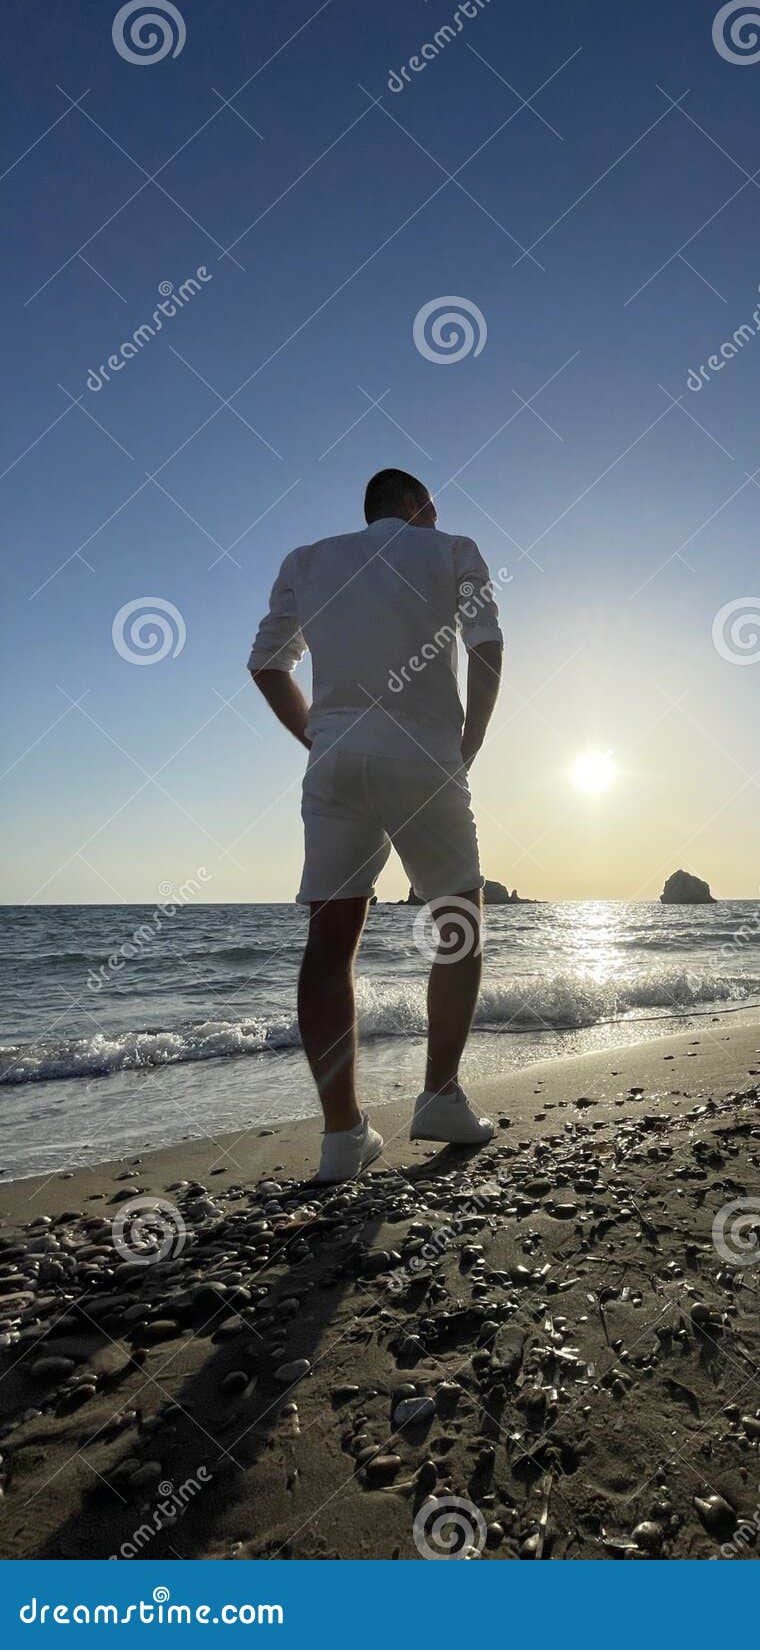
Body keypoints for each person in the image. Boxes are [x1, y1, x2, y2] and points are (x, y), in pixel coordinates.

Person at [248, 469, 503, 1182]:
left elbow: (267, 663)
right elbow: (488, 646)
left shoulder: (306, 560)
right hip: (425, 756)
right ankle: (440, 1097)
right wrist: (470, 744)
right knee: (457, 921)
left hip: (334, 763)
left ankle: (342, 1136)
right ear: (417, 505)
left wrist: (319, 737)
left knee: (329, 943)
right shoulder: (453, 549)